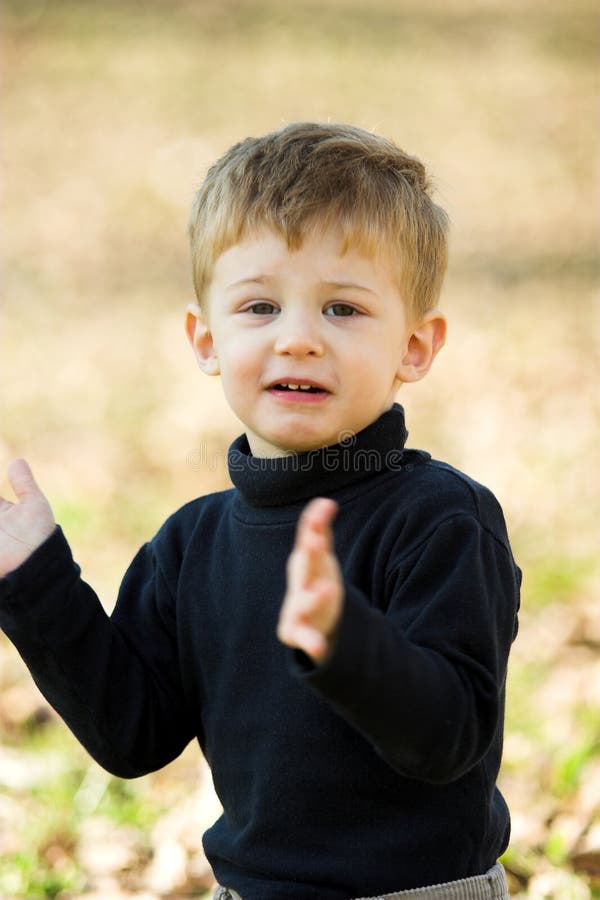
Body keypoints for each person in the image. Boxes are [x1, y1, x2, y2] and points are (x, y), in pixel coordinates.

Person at [0, 122, 520, 900]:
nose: (299, 339)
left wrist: (349, 644)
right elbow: (131, 734)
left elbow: (448, 739)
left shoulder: (441, 519)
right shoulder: (192, 542)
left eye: (342, 309)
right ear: (205, 340)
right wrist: (33, 580)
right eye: (259, 307)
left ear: (414, 347)